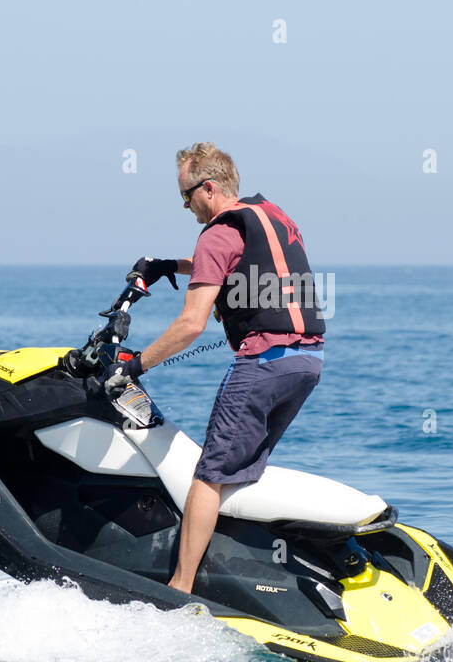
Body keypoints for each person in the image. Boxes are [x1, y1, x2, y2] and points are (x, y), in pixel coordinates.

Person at [105, 142, 325, 594]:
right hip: (306, 363)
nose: (185, 207)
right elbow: (235, 265)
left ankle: (180, 587)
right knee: (241, 471)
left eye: (186, 196)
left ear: (207, 188)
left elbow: (190, 325)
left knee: (208, 477)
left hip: (263, 365)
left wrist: (135, 366)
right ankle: (239, 564)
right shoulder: (271, 215)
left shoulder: (219, 232)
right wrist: (171, 265)